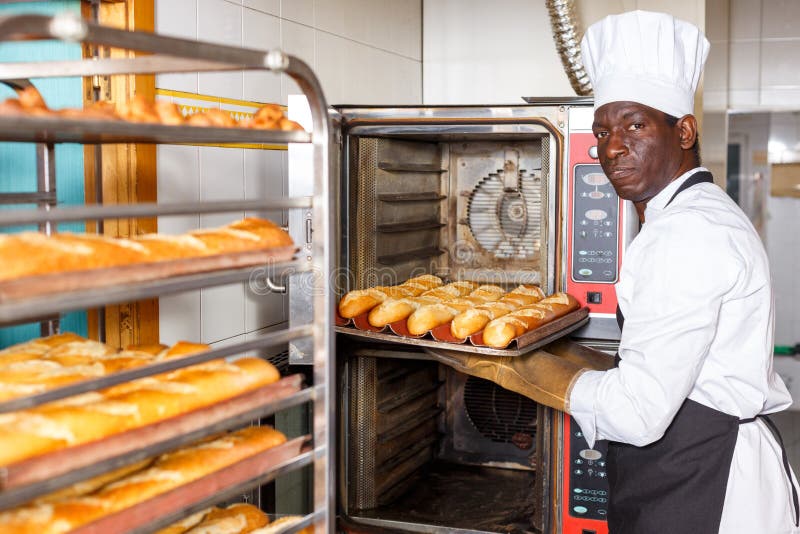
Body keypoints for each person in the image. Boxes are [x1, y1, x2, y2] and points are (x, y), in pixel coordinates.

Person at [568, 10, 800, 534]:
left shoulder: (686, 232)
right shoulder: (690, 215)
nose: (611, 147)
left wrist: (539, 377)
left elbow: (638, 412)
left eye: (634, 124)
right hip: (690, 468)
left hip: (707, 485)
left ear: (685, 129)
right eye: (601, 131)